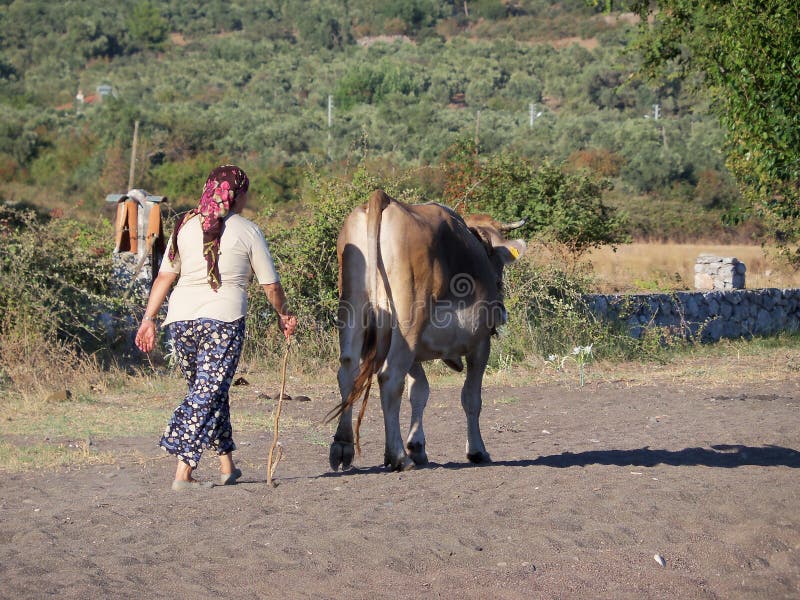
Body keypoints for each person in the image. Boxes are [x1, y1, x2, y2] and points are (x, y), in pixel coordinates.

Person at [135, 165, 297, 491]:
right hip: (223, 320)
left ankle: (227, 466)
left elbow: (165, 276)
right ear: (237, 195)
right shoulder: (248, 231)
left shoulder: (184, 225)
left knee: (212, 391)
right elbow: (270, 286)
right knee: (206, 395)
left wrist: (149, 318)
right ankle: (183, 472)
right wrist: (284, 313)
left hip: (181, 323)